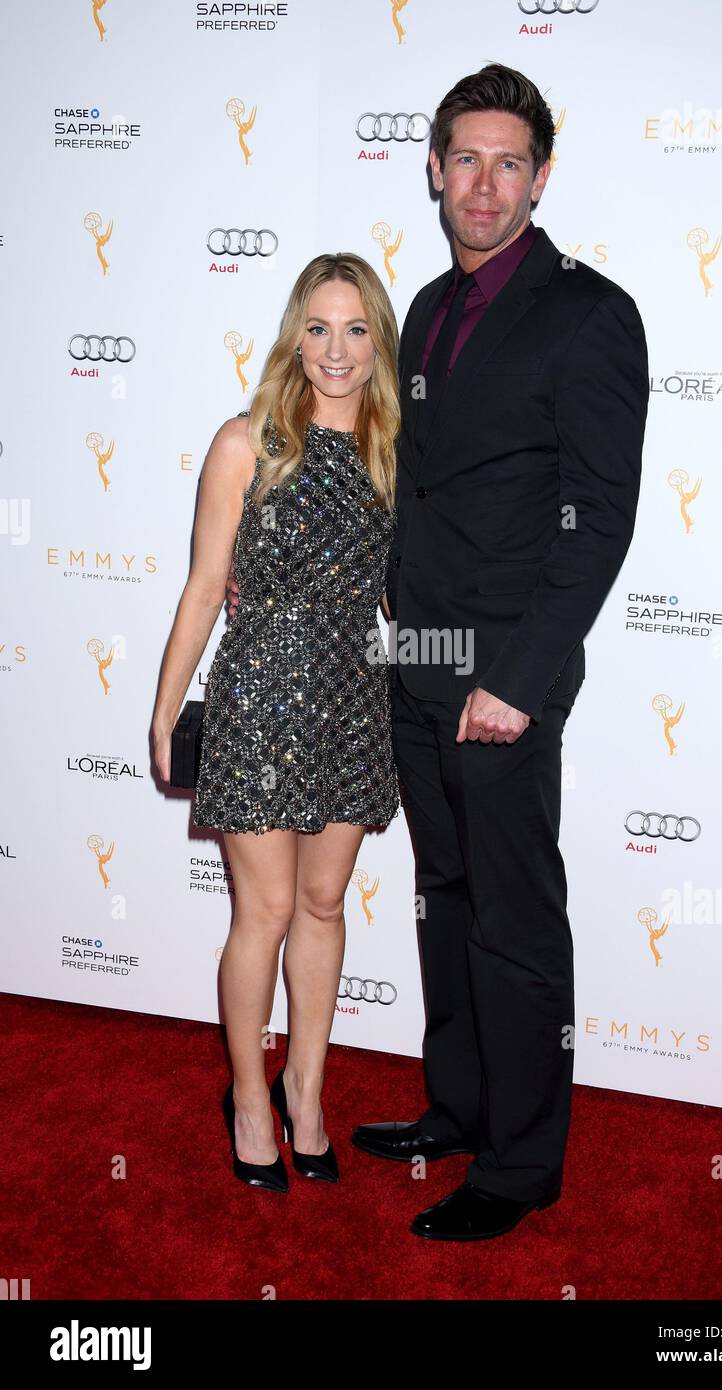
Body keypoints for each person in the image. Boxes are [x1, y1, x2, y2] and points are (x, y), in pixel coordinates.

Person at [349, 63, 650, 1241]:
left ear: (541, 177)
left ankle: (521, 1167)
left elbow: (599, 516)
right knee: (442, 899)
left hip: (504, 678)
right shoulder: (422, 308)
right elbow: (415, 496)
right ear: (433, 168)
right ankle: (460, 1108)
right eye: (464, 159)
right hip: (415, 661)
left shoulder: (589, 313)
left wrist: (515, 682)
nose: (483, 183)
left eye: (508, 162)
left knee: (515, 919)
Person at [152, 253, 401, 1193]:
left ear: (378, 340)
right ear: (295, 334)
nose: (336, 350)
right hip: (257, 702)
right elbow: (206, 583)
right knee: (261, 912)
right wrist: (167, 704)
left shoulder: (391, 448)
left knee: (324, 907)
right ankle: (248, 1100)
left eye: (356, 329)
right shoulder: (245, 440)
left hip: (351, 701)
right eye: (318, 327)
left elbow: (396, 593)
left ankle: (307, 1091)